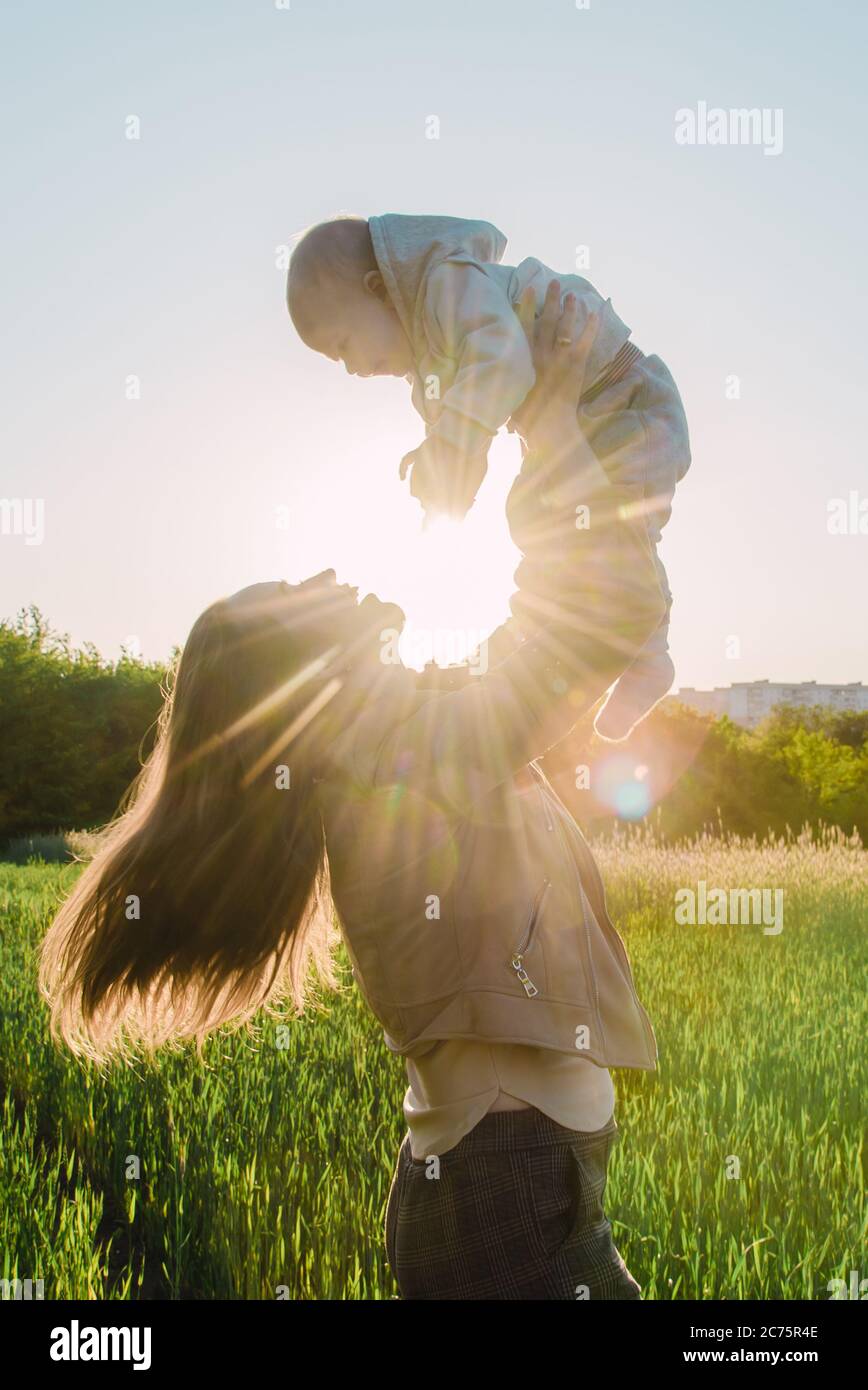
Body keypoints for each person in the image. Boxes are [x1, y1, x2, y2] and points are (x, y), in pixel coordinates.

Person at [40, 285, 664, 1299]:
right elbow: (594, 608)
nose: (326, 569)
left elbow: (587, 612)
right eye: (294, 592)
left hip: (514, 1182)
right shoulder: (398, 751)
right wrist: (541, 405)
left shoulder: (410, 734)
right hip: (504, 1192)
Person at [286, 211, 691, 740]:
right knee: (535, 521)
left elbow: (504, 366)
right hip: (582, 412)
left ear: (377, 289)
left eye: (342, 345)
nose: (350, 368)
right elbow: (462, 410)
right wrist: (437, 461)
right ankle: (563, 633)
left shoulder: (445, 284)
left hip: (623, 400)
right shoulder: (427, 349)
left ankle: (648, 652)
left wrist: (453, 447)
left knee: (619, 524)